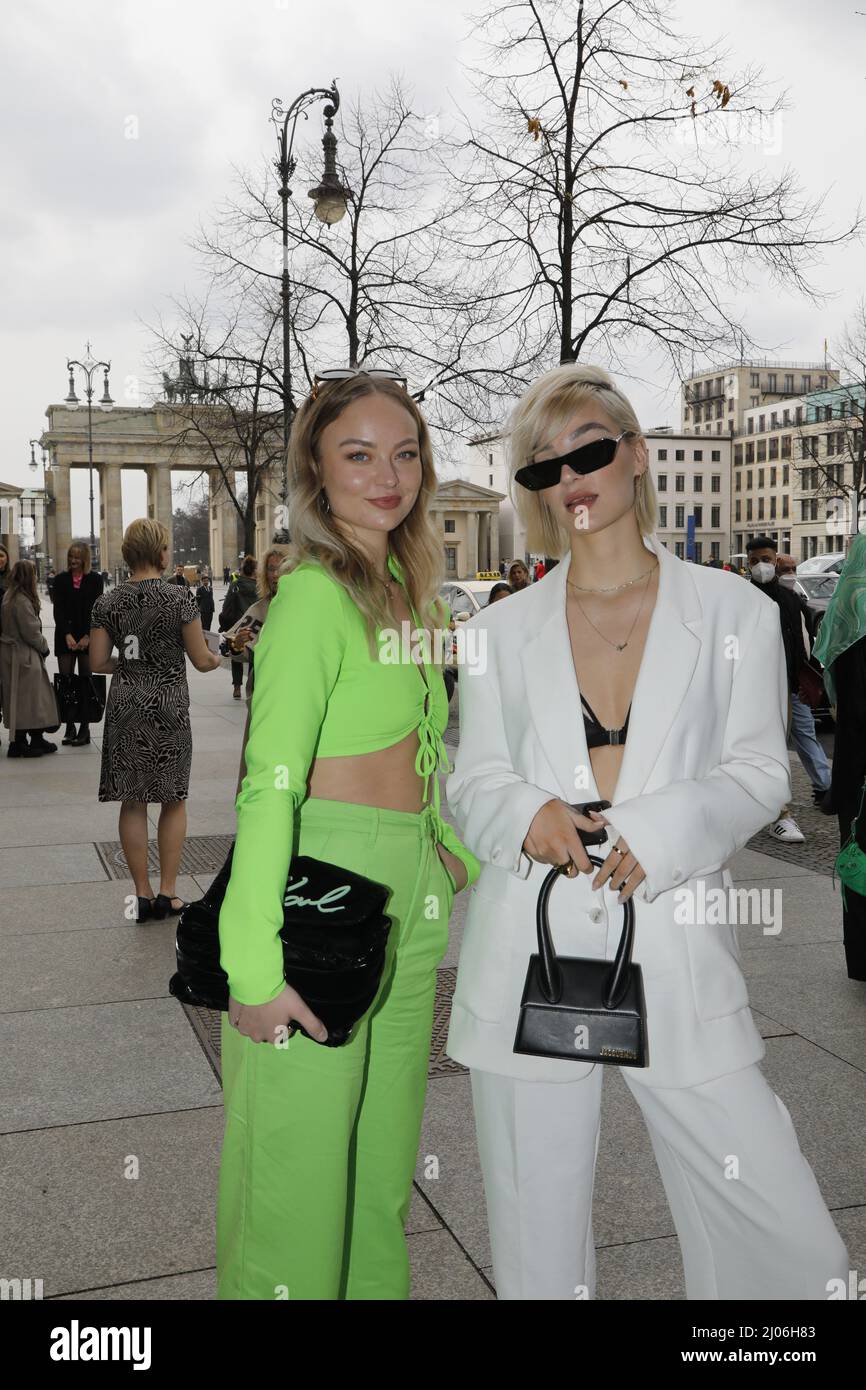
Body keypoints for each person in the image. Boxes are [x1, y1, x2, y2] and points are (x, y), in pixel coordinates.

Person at [445, 362, 848, 1301]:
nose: (570, 476)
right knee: (538, 1259)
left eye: (587, 449)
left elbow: (757, 771)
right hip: (527, 959)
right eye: (543, 467)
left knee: (793, 1251)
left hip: (677, 954)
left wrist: (658, 833)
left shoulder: (736, 612)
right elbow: (474, 780)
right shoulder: (499, 631)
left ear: (634, 454)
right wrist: (528, 814)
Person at [215, 369, 481, 1301]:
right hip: (319, 899)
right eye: (359, 454)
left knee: (378, 1172)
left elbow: (424, 742)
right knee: (295, 1176)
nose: (388, 474)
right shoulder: (313, 599)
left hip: (409, 900)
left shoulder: (419, 594)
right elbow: (267, 787)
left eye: (405, 453)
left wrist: (448, 849)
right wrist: (252, 964)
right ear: (317, 475)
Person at [88, 519, 221, 923]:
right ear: (162, 553)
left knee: (132, 801)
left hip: (127, 704)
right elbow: (200, 660)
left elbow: (97, 662)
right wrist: (218, 657)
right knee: (172, 798)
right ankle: (168, 892)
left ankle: (141, 895)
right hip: (168, 706)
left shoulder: (107, 602)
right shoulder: (179, 598)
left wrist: (131, 666)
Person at [746, 536, 832, 840]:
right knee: (765, 748)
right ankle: (776, 809)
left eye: (766, 560)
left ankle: (791, 805)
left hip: (789, 686)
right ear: (747, 563)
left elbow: (801, 642)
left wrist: (801, 678)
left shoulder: (789, 599)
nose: (761, 567)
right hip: (757, 688)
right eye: (755, 561)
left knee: (794, 739)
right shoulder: (742, 597)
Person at [813, 533, 866, 981]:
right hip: (857, 766)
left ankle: (862, 957)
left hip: (855, 768)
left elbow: (843, 702)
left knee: (858, 860)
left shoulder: (845, 621)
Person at [232, 546, 289, 796]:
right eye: (271, 568)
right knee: (256, 764)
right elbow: (238, 650)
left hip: (292, 698)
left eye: (281, 568)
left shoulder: (306, 609)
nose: (275, 574)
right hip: (263, 698)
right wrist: (237, 644)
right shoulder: (260, 608)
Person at [0, 559, 59, 757]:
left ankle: (30, 738)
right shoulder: (22, 600)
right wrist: (44, 648)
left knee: (21, 698)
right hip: (23, 654)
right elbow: (31, 632)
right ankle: (22, 742)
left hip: (11, 653)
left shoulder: (10, 595)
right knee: (32, 699)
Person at [51, 543, 104, 747]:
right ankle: (69, 726)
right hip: (65, 637)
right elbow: (59, 610)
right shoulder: (60, 579)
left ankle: (84, 727)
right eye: (71, 556)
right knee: (66, 683)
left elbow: (97, 609)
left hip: (87, 637)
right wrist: (67, 634)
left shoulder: (95, 579)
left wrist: (88, 636)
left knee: (85, 683)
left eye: (78, 557)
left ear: (85, 559)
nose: (74, 560)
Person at [219, 555, 259, 699]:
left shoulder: (235, 585)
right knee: (254, 658)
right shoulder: (260, 587)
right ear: (254, 571)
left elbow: (227, 606)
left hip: (238, 625)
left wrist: (223, 623)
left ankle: (237, 687)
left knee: (237, 656)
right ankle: (252, 686)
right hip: (255, 625)